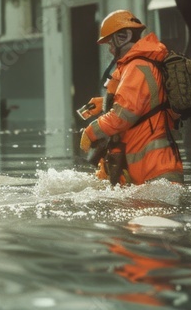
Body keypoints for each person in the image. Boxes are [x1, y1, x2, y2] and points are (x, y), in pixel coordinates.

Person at [79, 10, 184, 185]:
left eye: (110, 42)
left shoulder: (137, 66)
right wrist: (104, 103)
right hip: (151, 176)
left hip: (158, 174)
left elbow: (123, 116)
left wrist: (91, 131)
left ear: (124, 37)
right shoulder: (137, 64)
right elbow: (139, 102)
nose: (110, 49)